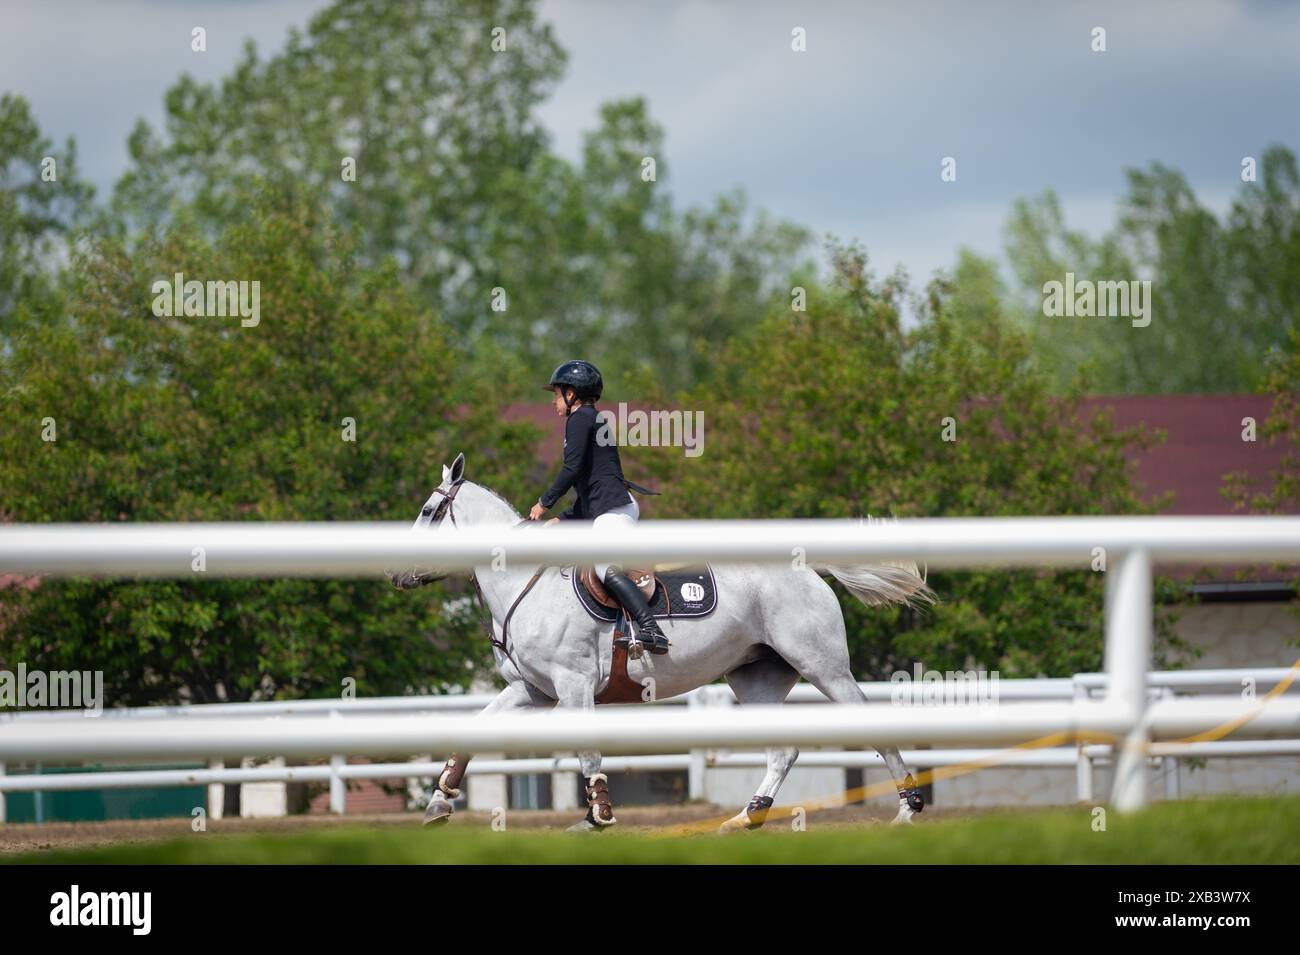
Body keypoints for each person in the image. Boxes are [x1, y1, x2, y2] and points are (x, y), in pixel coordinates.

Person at [529, 360, 669, 655]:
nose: (553, 401)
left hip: (614, 509)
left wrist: (544, 502)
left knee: (605, 567)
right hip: (607, 507)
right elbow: (588, 486)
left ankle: (651, 630)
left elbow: (571, 468)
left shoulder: (581, 418)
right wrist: (563, 519)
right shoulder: (589, 419)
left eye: (556, 394)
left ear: (573, 395)